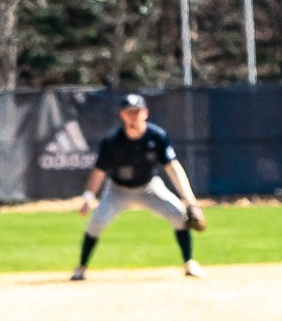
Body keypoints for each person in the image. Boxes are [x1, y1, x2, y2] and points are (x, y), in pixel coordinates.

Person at [71, 93, 208, 282]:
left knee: (178, 214)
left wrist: (190, 200)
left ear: (145, 112)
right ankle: (81, 267)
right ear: (122, 114)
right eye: (129, 112)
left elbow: (172, 167)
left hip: (149, 187)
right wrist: (88, 198)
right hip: (118, 190)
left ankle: (190, 263)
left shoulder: (157, 136)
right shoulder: (112, 141)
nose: (133, 115)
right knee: (96, 222)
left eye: (137, 111)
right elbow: (99, 172)